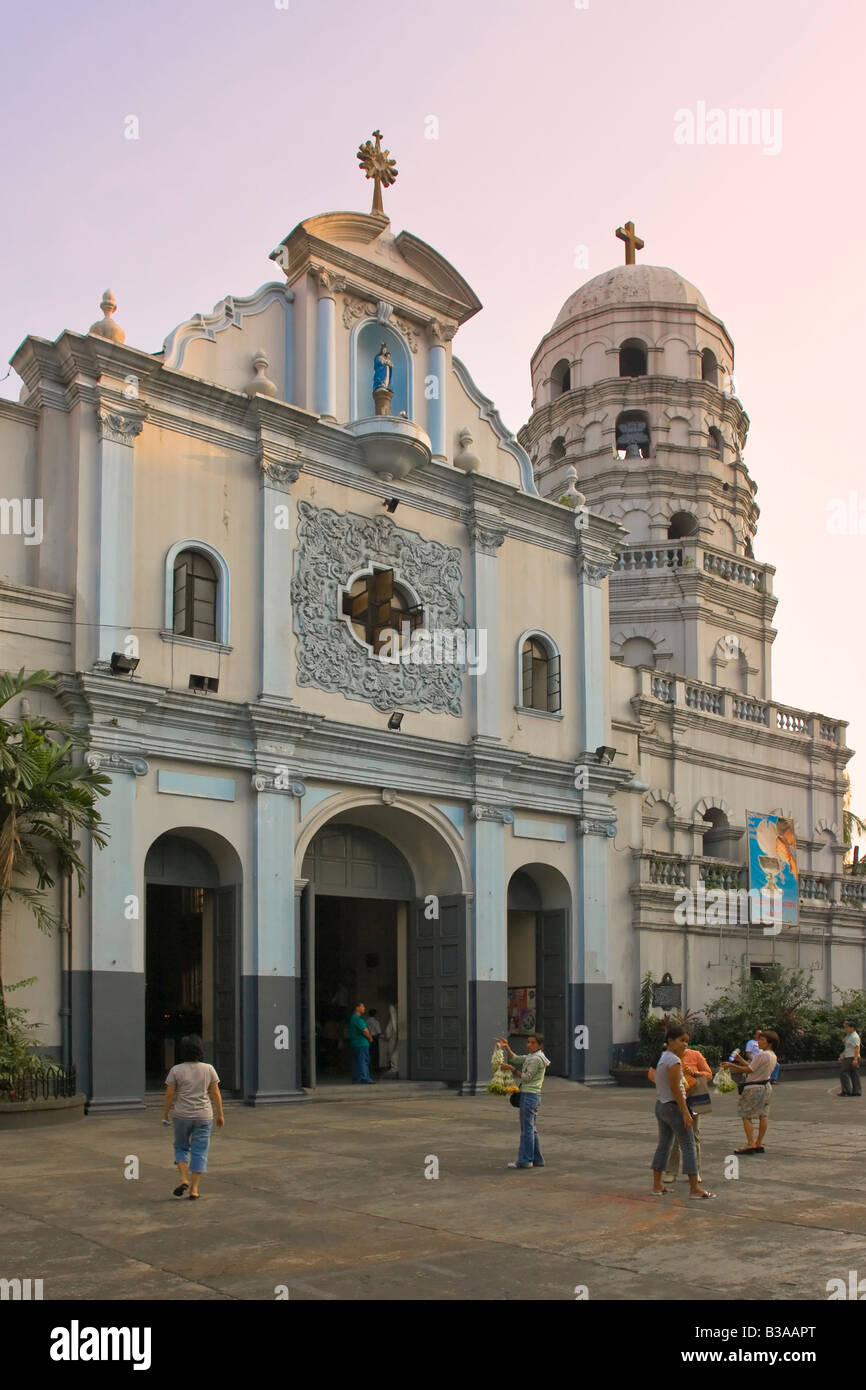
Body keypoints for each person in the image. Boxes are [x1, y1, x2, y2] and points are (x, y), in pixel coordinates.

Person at [650, 1026, 713, 1198]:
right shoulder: (674, 1061)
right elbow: (676, 1088)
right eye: (681, 1040)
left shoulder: (663, 1057)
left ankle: (657, 1185)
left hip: (661, 1105)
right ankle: (694, 1188)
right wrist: (685, 1112)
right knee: (688, 1145)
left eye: (686, 1041)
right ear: (670, 1041)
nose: (684, 1044)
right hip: (673, 1106)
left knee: (664, 1144)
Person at [162, 1034, 223, 1199]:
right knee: (200, 1151)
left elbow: (169, 1094)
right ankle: (194, 1190)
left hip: (182, 1115)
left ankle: (183, 1178)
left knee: (181, 1147)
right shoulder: (208, 1068)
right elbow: (215, 1093)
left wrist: (166, 1113)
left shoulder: (176, 1070)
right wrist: (220, 1114)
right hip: (204, 1115)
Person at [497, 1033, 550, 1169]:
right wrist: (507, 1047)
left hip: (529, 1095)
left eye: (533, 1043)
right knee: (532, 1129)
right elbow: (515, 1058)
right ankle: (537, 1159)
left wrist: (512, 1069)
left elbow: (526, 1078)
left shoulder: (536, 1059)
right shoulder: (533, 1056)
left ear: (540, 1045)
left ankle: (525, 1160)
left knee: (527, 1129)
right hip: (533, 1095)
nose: (529, 1045)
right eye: (528, 1042)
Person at [721, 1029, 779, 1153]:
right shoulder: (772, 1055)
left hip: (754, 1087)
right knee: (763, 1115)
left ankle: (750, 1143)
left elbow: (749, 1070)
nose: (759, 1042)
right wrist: (740, 1059)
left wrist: (732, 1065)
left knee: (746, 1115)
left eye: (762, 1040)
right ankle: (758, 1142)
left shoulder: (762, 1054)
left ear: (770, 1043)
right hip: (766, 1086)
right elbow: (752, 1066)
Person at [348, 1002, 373, 1084]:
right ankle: (365, 1078)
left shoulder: (352, 1018)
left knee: (356, 1061)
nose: (364, 1008)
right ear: (357, 1008)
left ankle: (356, 1078)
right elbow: (365, 1031)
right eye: (362, 1007)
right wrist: (370, 1038)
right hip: (361, 1043)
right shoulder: (358, 1019)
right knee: (363, 1060)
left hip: (354, 1043)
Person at [838, 1019, 861, 1096]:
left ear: (852, 1028)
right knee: (854, 1074)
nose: (845, 1029)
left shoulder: (854, 1036)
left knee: (843, 1072)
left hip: (851, 1057)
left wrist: (855, 1059)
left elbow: (856, 1048)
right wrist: (843, 1053)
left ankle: (847, 1091)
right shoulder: (849, 1036)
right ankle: (856, 1091)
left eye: (846, 1027)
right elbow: (848, 1047)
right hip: (849, 1056)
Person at [367, 1008, 382, 1074]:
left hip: (368, 1037)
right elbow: (379, 1031)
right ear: (375, 1014)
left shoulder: (366, 1021)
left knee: (368, 1053)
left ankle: (368, 1067)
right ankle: (375, 1068)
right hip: (374, 1037)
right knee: (375, 1053)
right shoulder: (376, 1022)